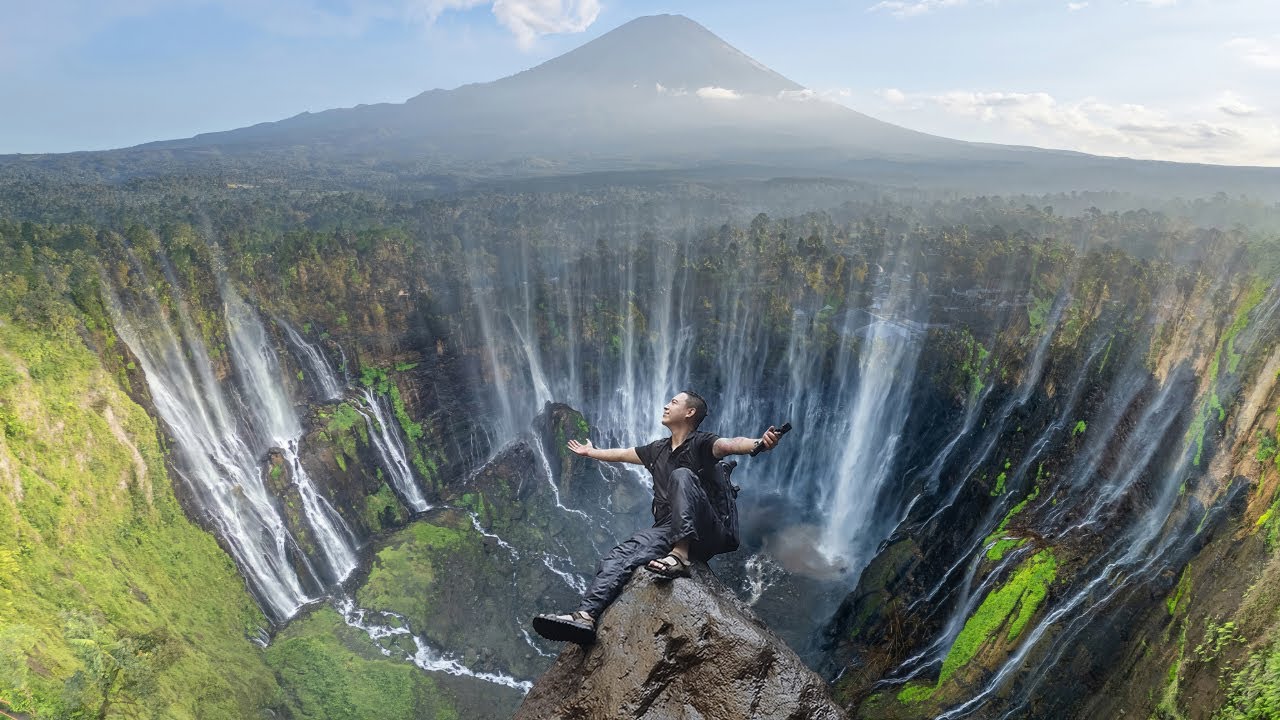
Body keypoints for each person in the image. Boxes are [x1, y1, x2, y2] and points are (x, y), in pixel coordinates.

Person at [531, 390, 784, 645]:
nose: (665, 406)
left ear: (689, 412)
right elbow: (621, 454)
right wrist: (591, 452)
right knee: (620, 554)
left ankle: (680, 556)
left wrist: (758, 444)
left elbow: (730, 444)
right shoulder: (657, 450)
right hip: (670, 526)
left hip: (711, 527)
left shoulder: (703, 443)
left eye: (673, 402)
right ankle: (586, 616)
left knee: (681, 476)